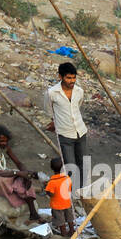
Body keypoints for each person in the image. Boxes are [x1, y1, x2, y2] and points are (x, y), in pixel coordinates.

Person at [0, 124, 44, 223]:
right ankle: (23, 203)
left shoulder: (4, 146)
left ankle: (33, 213)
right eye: (1, 141)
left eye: (6, 141)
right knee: (0, 181)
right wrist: (17, 173)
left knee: (23, 179)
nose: (4, 143)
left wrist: (25, 173)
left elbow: (18, 163)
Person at [43, 61, 88, 190]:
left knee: (83, 163)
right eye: (68, 78)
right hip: (64, 134)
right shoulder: (52, 93)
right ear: (60, 77)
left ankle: (82, 191)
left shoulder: (79, 91)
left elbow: (77, 106)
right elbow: (48, 110)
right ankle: (72, 193)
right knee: (70, 165)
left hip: (81, 131)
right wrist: (56, 121)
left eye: (74, 78)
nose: (72, 81)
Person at [45, 156, 74, 237]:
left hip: (57, 205)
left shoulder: (52, 182)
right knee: (70, 218)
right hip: (67, 202)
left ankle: (64, 235)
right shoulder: (67, 178)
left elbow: (51, 194)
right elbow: (70, 189)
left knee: (60, 221)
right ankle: (72, 230)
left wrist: (46, 189)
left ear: (51, 168)